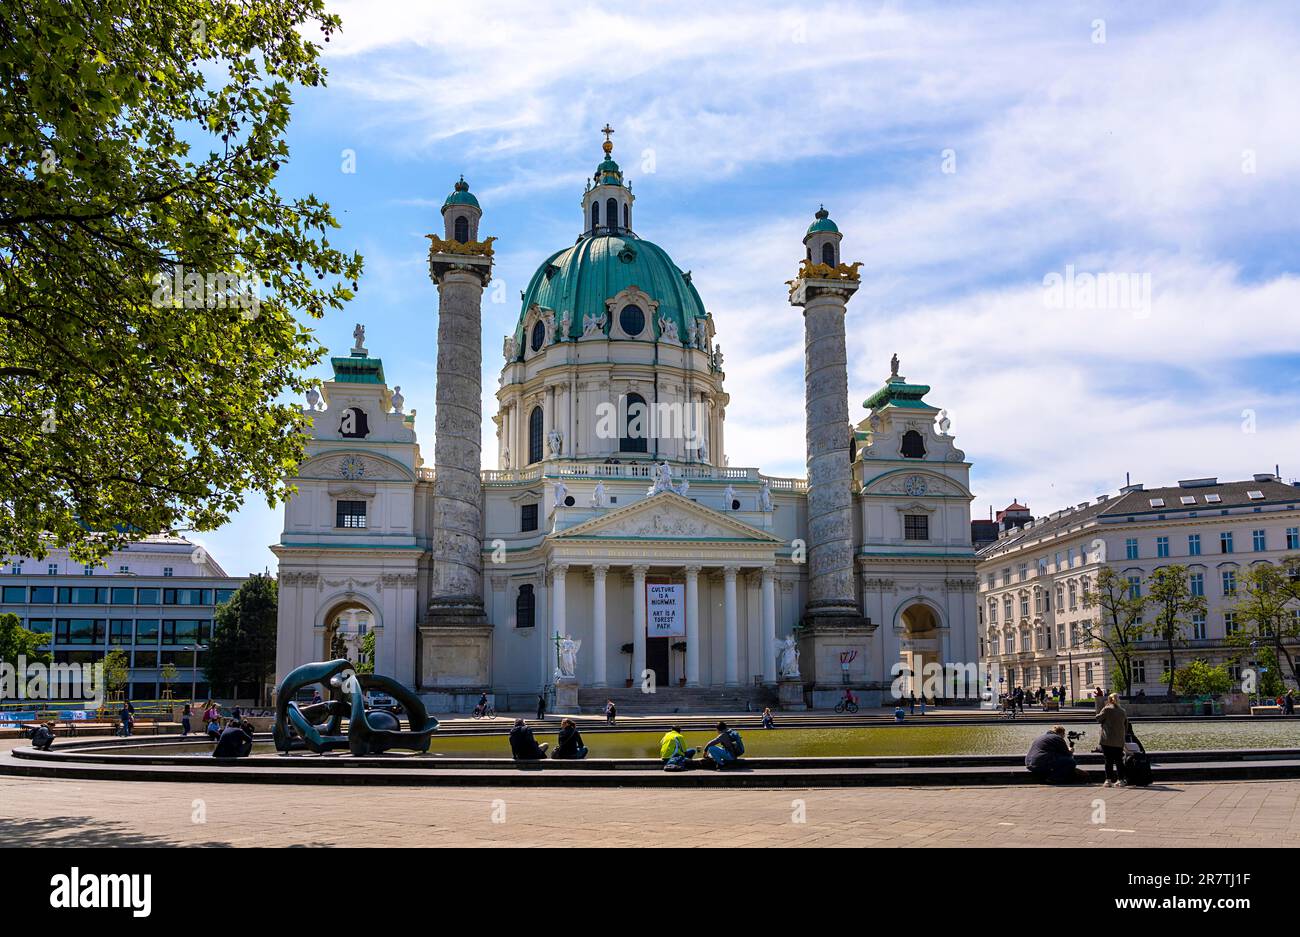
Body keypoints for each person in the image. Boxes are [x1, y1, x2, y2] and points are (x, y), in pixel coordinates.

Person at [1096, 692, 1129, 787]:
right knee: (1119, 760)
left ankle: (1108, 780)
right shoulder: (1123, 711)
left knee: (1108, 761)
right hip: (1119, 740)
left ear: (1109, 700)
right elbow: (1126, 725)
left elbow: (1098, 718)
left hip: (1107, 739)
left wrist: (1103, 708)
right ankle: (1121, 780)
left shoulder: (1107, 709)